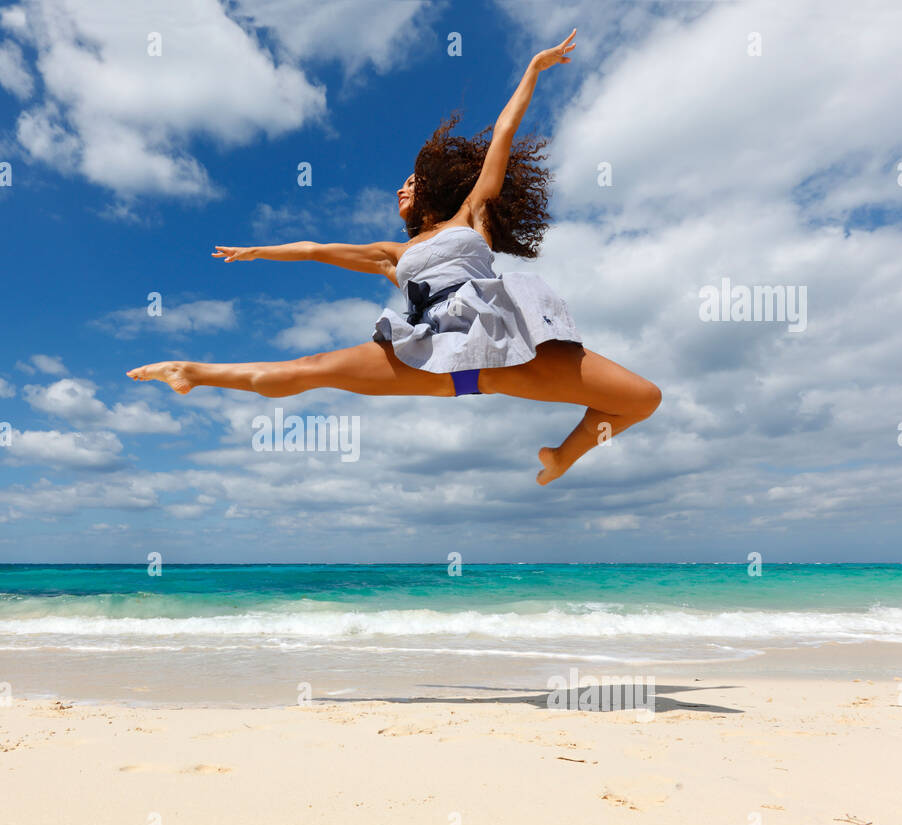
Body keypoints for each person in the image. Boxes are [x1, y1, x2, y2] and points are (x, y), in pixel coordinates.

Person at [129, 29, 660, 485]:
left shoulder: (471, 214)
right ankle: (190, 371)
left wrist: (534, 68)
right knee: (310, 369)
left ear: (436, 189)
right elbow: (314, 249)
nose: (401, 189)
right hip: (427, 355)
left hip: (506, 351)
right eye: (400, 186)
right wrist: (257, 252)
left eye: (411, 182)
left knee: (642, 398)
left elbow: (502, 134)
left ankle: (562, 458)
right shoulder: (393, 254)